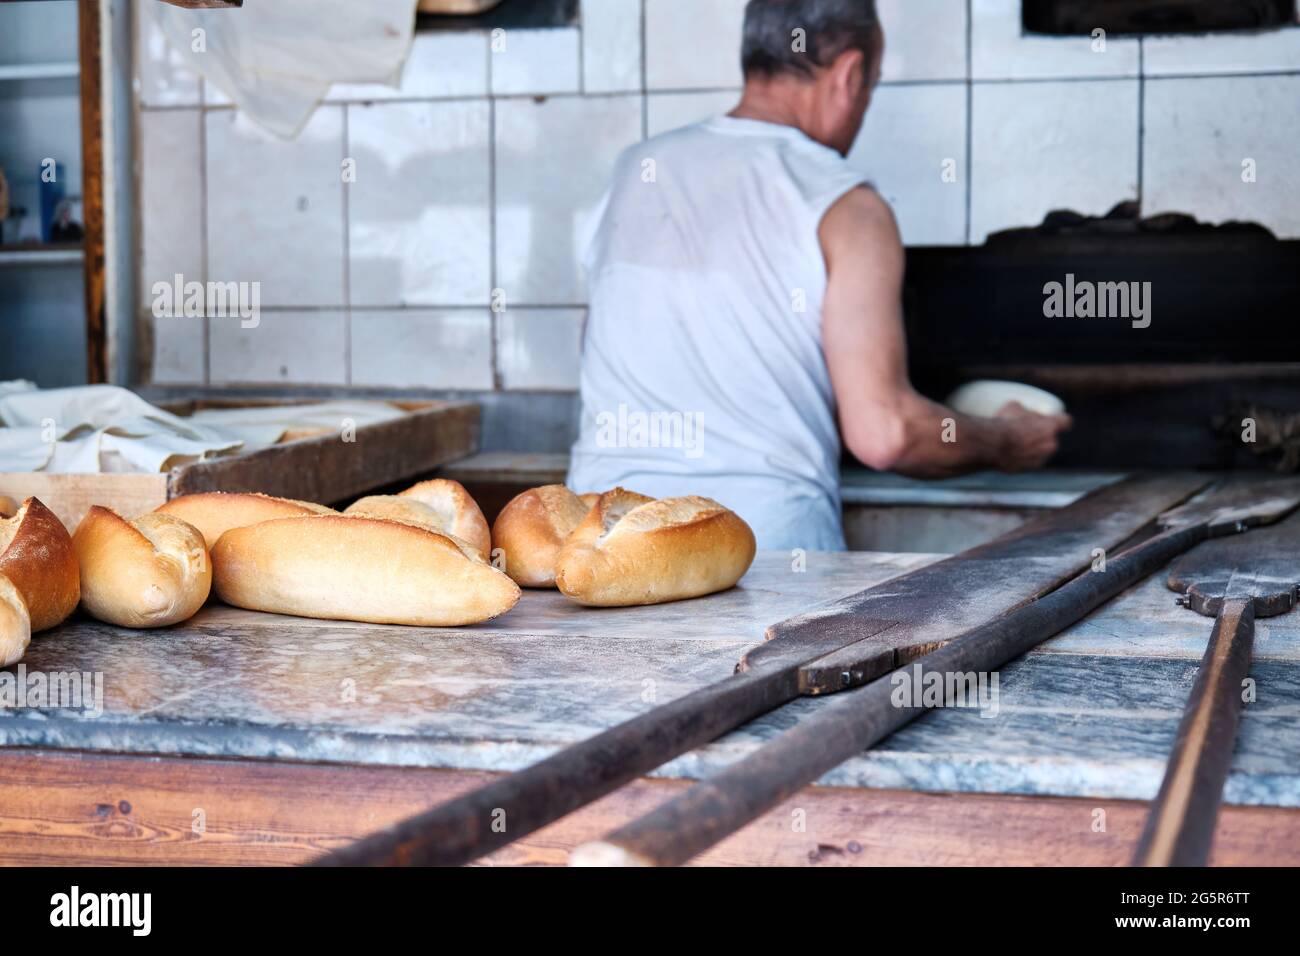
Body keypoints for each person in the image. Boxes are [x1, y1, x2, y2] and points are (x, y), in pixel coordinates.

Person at [568, 0, 1071, 551]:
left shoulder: (634, 170)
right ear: (851, 75)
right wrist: (1006, 442)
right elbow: (886, 435)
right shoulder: (844, 203)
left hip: (602, 546)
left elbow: (601, 347)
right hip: (760, 555)